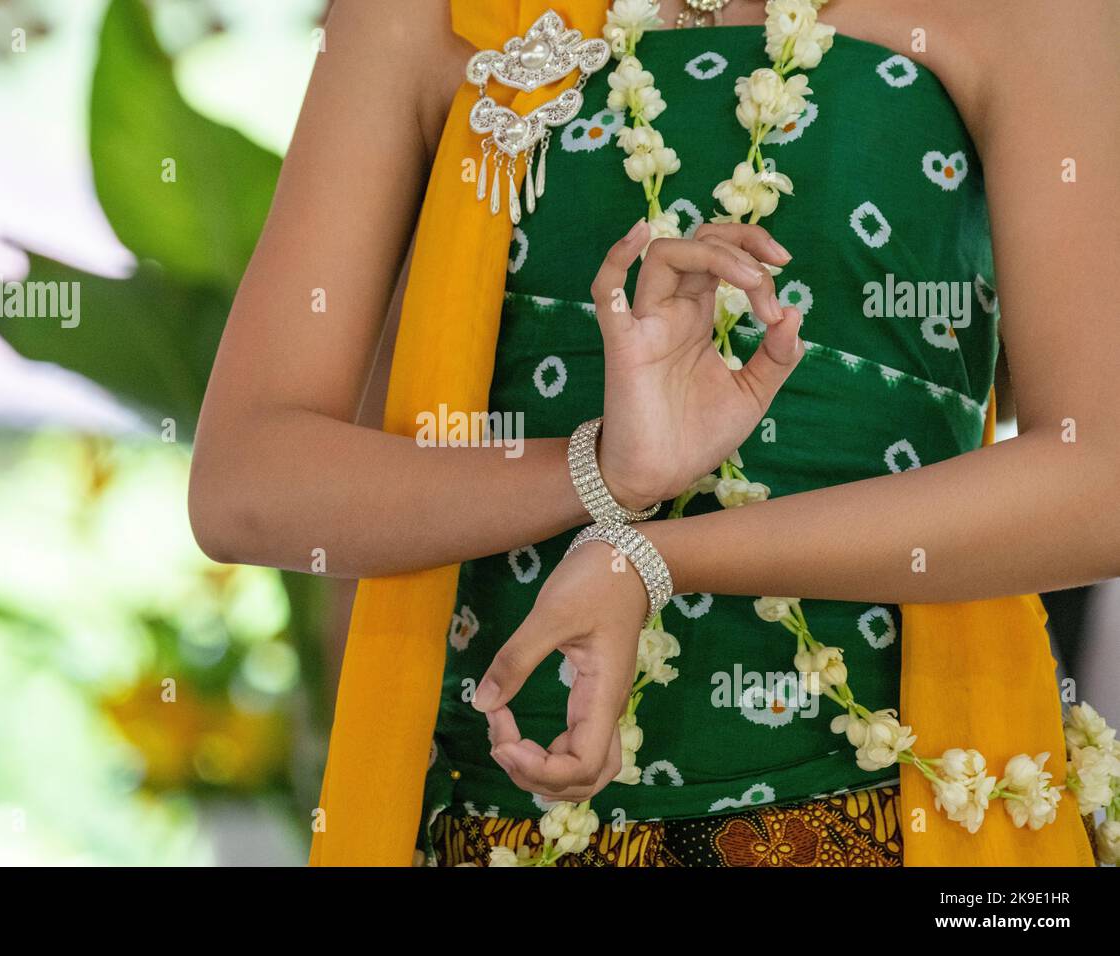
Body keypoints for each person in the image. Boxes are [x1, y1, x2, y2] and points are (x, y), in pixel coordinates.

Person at [188, 0, 1118, 866]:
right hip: (500, 820)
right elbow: (249, 479)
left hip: (896, 809)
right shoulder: (427, 18)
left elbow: (1099, 476)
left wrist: (654, 559)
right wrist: (599, 471)